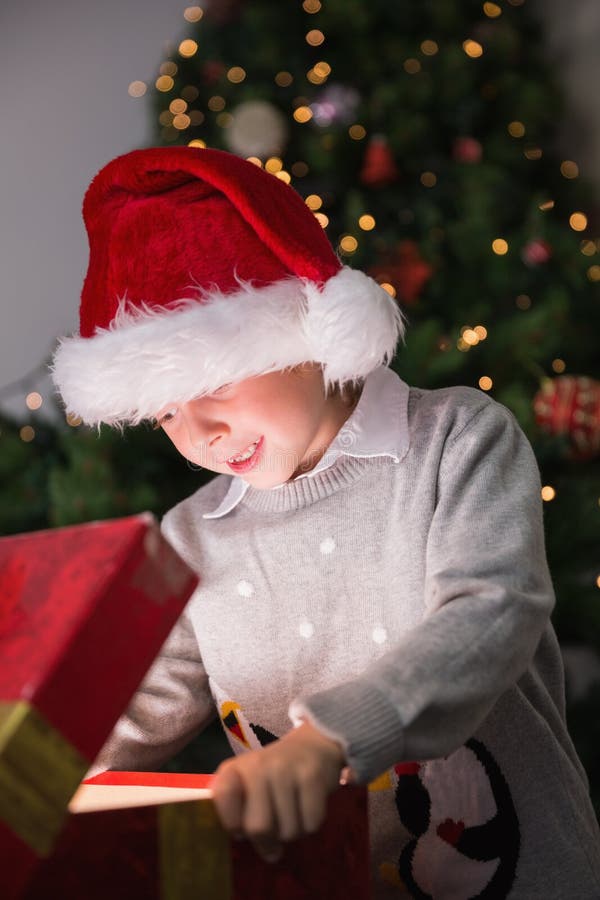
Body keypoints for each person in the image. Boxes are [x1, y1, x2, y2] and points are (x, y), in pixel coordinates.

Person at [52, 146, 600, 898]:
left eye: (211, 382)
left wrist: (331, 740)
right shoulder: (190, 540)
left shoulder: (455, 440)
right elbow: (131, 712)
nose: (197, 433)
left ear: (303, 333)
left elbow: (493, 611)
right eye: (165, 411)